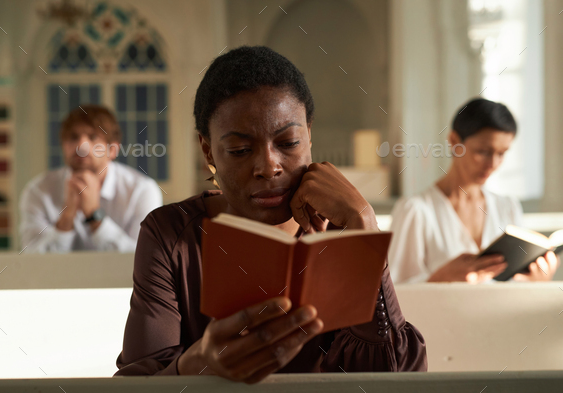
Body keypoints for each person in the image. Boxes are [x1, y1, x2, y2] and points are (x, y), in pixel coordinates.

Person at [115, 46, 426, 383]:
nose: (267, 166)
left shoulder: (341, 233)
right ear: (208, 151)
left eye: (289, 142)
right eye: (240, 150)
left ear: (309, 134)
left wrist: (364, 227)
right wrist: (200, 363)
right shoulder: (171, 235)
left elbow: (397, 380)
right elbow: (137, 384)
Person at [388, 98, 559, 284]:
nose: (493, 164)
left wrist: (536, 281)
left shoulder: (507, 207)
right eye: (484, 151)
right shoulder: (415, 211)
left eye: (501, 154)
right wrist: (440, 278)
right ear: (454, 141)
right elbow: (394, 295)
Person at [19, 105, 162, 252]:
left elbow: (144, 258)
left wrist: (95, 215)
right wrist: (67, 217)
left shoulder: (142, 190)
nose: (81, 146)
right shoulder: (38, 191)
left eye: (93, 137)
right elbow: (31, 262)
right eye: (73, 137)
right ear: (63, 146)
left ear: (112, 150)